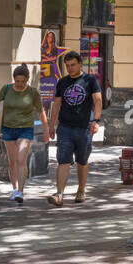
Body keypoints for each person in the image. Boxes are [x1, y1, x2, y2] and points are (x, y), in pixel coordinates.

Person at [46, 51, 102, 207]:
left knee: (82, 161)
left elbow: (98, 101)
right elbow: (56, 105)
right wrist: (52, 125)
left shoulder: (90, 80)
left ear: (80, 64)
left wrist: (96, 120)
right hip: (65, 128)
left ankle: (81, 190)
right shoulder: (62, 82)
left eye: (73, 65)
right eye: (67, 66)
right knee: (63, 160)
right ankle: (59, 194)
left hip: (84, 128)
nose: (70, 68)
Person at [0, 64, 50, 205]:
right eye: (17, 81)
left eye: (23, 81)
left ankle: (21, 192)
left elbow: (41, 113)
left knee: (21, 159)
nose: (20, 84)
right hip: (8, 128)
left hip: (25, 129)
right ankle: (14, 189)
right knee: (12, 162)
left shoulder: (33, 93)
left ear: (27, 79)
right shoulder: (6, 89)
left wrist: (46, 130)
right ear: (14, 79)